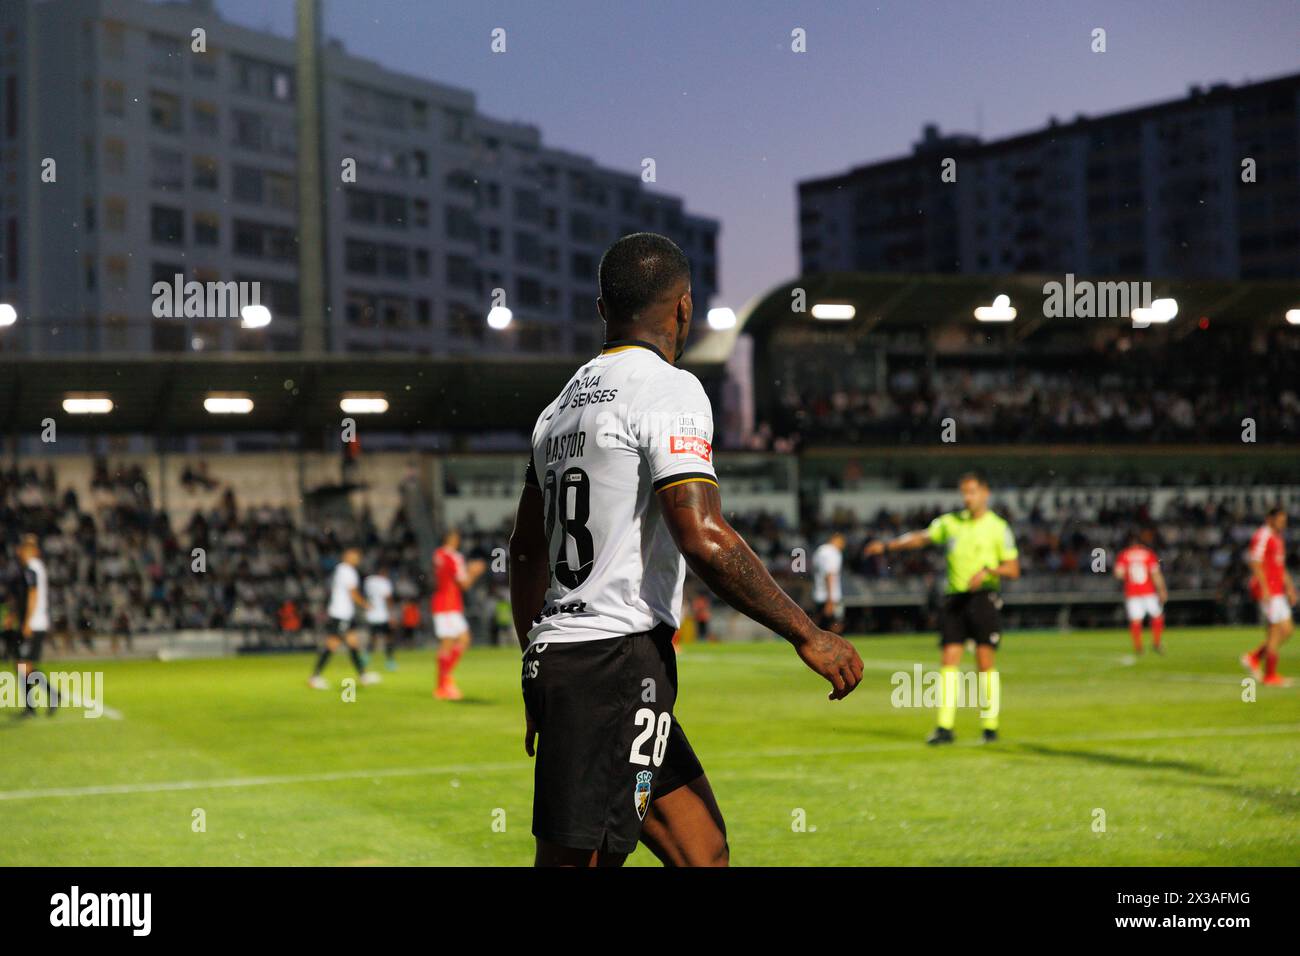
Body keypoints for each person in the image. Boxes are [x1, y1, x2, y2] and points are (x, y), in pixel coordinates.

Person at [508, 232, 862, 867]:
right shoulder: (667, 388)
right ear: (683, 309)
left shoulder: (555, 411)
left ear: (601, 309)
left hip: (578, 664)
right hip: (614, 662)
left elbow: (527, 552)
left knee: (703, 851)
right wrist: (808, 632)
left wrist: (534, 656)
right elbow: (701, 535)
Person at [866, 471, 1019, 745]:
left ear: (985, 493)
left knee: (984, 662)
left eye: (972, 491)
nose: (967, 497)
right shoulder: (950, 523)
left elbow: (1013, 568)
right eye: (964, 492)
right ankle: (945, 726)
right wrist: (889, 546)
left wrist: (989, 571)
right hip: (954, 599)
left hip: (983, 598)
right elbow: (922, 537)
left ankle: (990, 725)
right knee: (949, 660)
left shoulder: (998, 527)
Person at [308, 548, 380, 689]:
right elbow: (352, 592)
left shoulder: (341, 569)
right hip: (341, 614)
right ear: (347, 557)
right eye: (355, 556)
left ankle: (363, 675)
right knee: (332, 644)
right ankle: (315, 677)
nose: (357, 559)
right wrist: (366, 604)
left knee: (353, 643)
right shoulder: (347, 571)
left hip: (343, 613)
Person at [1241, 507, 1294, 687]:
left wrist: (1290, 587)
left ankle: (1254, 657)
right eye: (1280, 519)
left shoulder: (1278, 538)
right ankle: (1270, 676)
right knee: (1274, 631)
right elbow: (1255, 562)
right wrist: (1264, 588)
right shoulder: (1263, 535)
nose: (1283, 523)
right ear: (1269, 519)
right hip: (1267, 589)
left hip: (1277, 589)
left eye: (1284, 520)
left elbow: (1280, 566)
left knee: (1287, 630)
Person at [431, 530, 485, 700]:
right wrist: (474, 572)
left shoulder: (438, 554)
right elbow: (464, 584)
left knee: (461, 640)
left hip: (442, 603)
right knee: (451, 643)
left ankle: (445, 681)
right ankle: (443, 685)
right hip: (449, 605)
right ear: (453, 540)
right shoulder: (454, 557)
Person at [15, 535, 58, 716]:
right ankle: (39, 702)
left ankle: (36, 703)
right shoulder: (39, 567)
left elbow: (32, 595)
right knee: (24, 666)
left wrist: (27, 622)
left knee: (24, 666)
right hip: (38, 621)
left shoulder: (31, 568)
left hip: (34, 623)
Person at [1114, 530, 1167, 654]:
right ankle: (1157, 643)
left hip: (1132, 592)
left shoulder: (1124, 555)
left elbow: (1118, 574)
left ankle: (1138, 647)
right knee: (1157, 616)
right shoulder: (1148, 554)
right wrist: (1162, 590)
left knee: (1136, 620)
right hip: (1148, 591)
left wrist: (1128, 574)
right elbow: (1156, 574)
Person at [363, 566, 397, 671]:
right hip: (383, 615)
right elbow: (388, 599)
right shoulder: (384, 582)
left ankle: (365, 658)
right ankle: (390, 661)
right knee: (389, 638)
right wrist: (392, 615)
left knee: (373, 638)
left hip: (371, 614)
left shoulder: (368, 581)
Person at [811, 532, 846, 633]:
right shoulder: (832, 552)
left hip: (818, 594)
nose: (843, 546)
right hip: (830, 596)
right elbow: (829, 574)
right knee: (836, 627)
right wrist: (830, 599)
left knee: (820, 628)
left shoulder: (820, 550)